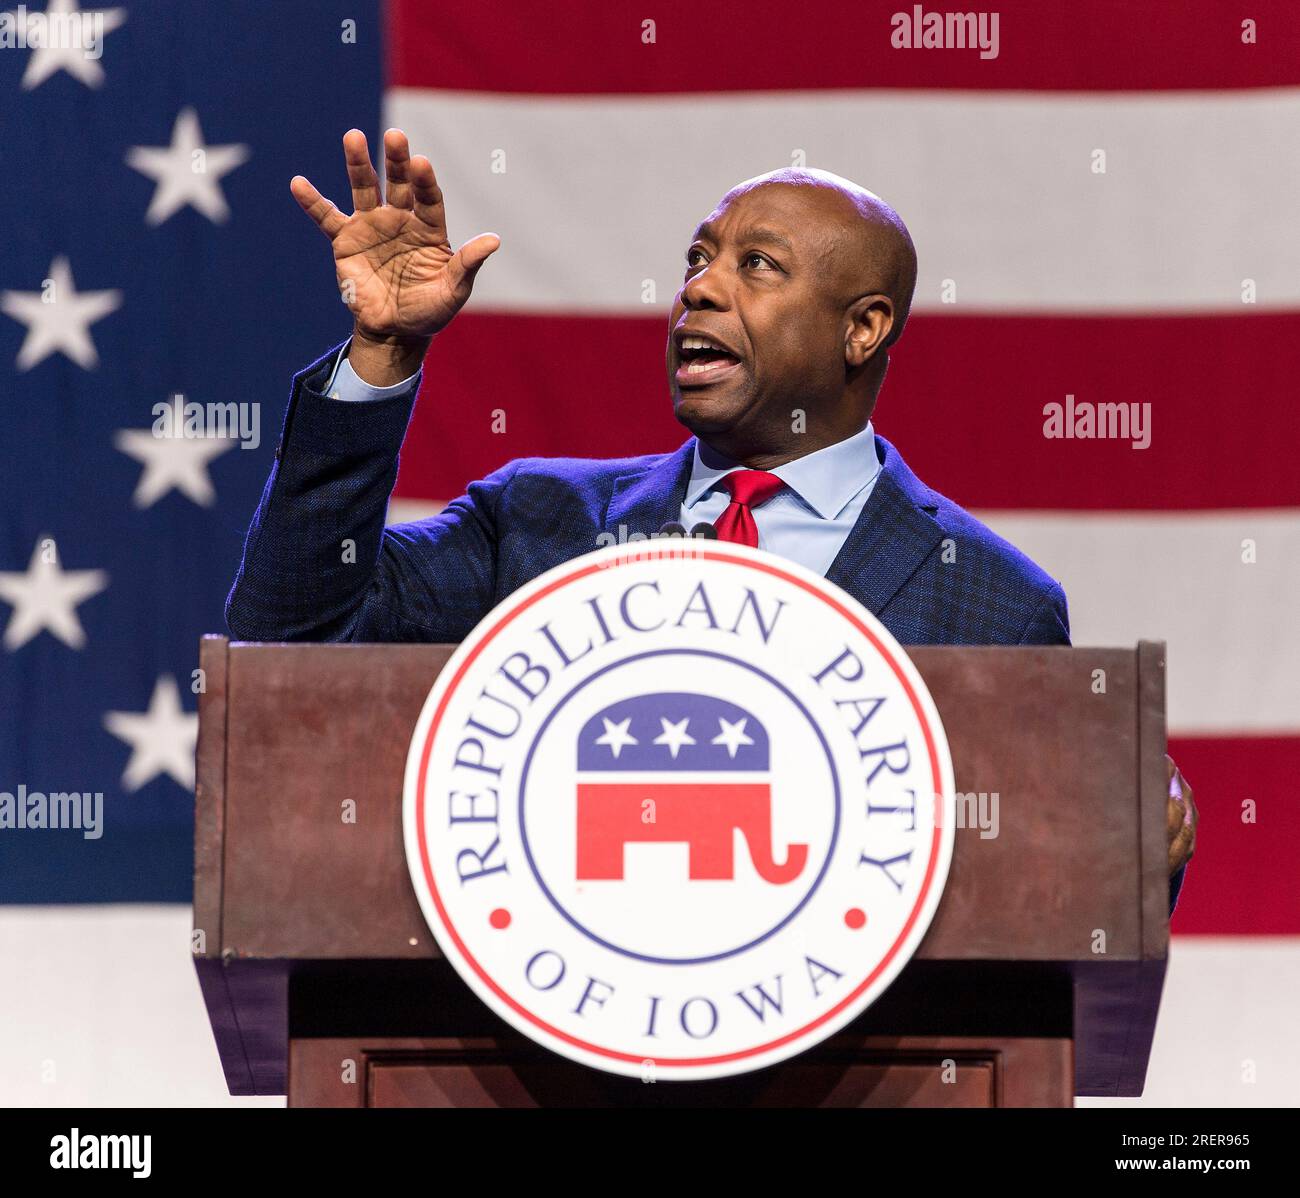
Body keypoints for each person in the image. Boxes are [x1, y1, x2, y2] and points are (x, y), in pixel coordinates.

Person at [226, 128, 1196, 906]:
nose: (698, 286)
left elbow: (1047, 896)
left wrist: (1134, 839)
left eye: (757, 265)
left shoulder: (991, 603)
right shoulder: (536, 522)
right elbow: (289, 643)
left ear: (863, 328)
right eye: (698, 256)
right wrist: (383, 353)